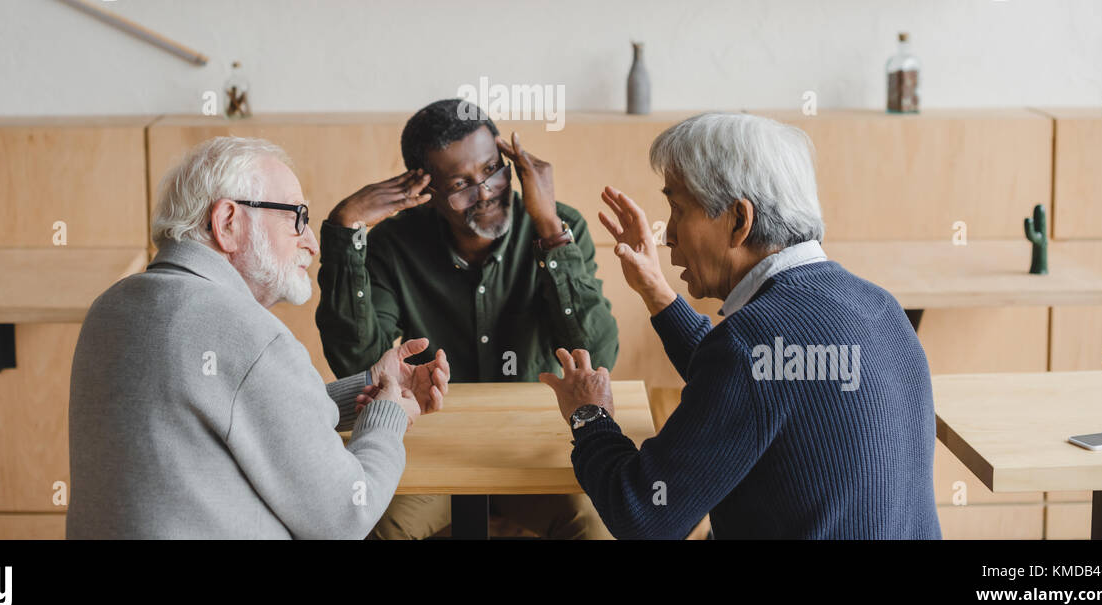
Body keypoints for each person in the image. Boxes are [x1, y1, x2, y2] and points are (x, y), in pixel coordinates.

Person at [539, 112, 942, 539]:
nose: (668, 235)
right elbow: (763, 381)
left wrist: (589, 415)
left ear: (738, 221)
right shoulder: (880, 305)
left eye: (678, 209)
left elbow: (642, 514)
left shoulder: (748, 347)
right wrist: (658, 292)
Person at [67, 136, 449, 539]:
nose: (312, 244)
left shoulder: (112, 306)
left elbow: (239, 409)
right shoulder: (246, 333)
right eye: (296, 217)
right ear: (228, 222)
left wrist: (371, 386)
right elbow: (348, 514)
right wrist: (387, 416)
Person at [316, 98, 619, 539]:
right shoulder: (394, 244)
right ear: (426, 189)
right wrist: (346, 232)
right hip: (432, 444)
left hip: (534, 442)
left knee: (599, 523)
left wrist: (550, 231)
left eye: (494, 170)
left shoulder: (558, 226)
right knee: (373, 528)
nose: (486, 192)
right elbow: (358, 365)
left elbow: (599, 354)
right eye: (461, 183)